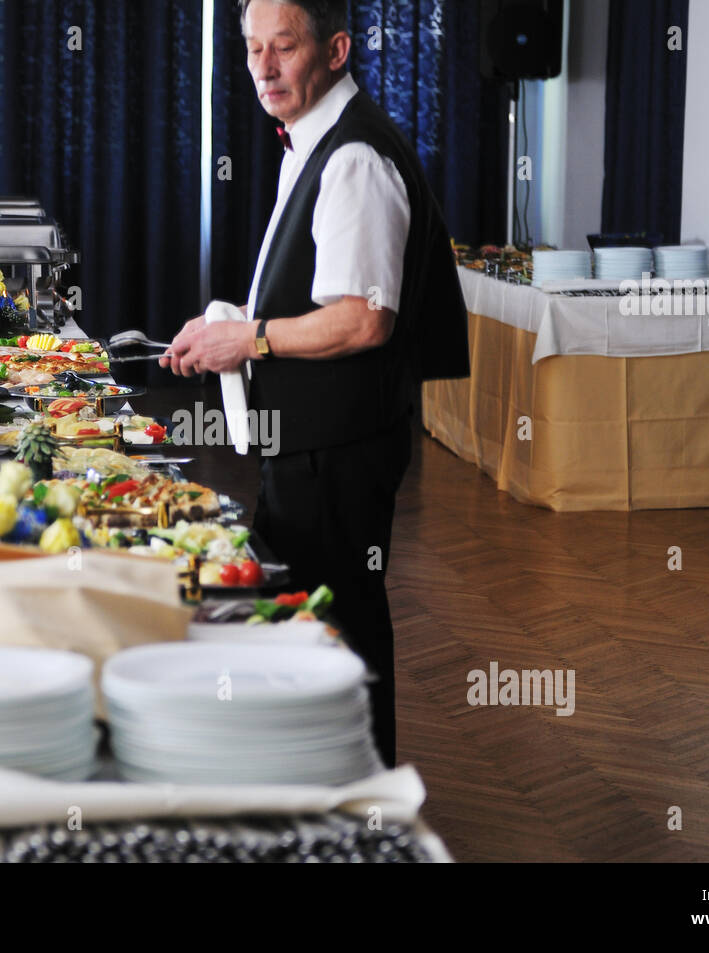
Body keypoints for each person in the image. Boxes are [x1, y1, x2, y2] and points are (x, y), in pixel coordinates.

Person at [160, 0, 468, 767]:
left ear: (335, 49)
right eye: (253, 48)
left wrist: (250, 337)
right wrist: (233, 322)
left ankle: (361, 809)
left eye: (284, 47)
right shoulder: (316, 140)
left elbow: (364, 319)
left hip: (341, 444)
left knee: (342, 627)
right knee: (314, 621)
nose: (263, 67)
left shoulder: (357, 157)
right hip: (310, 439)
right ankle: (333, 791)